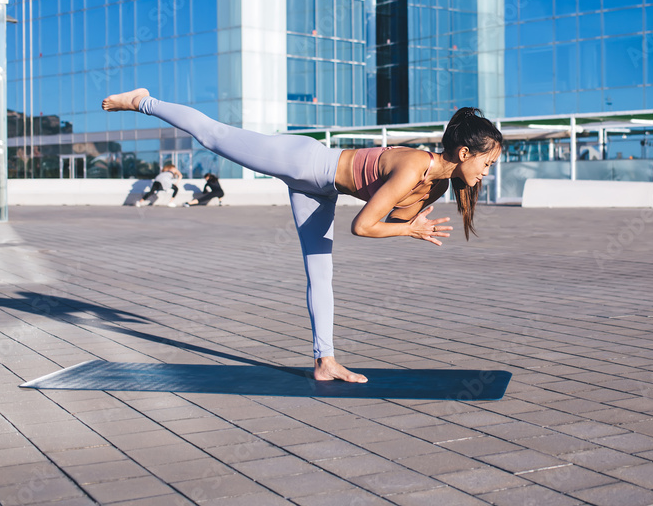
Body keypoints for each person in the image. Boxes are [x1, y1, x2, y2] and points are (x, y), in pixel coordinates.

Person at [103, 88, 502, 382]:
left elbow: (386, 215)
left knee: (321, 275)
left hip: (322, 191)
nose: (488, 171)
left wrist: (409, 221)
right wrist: (408, 229)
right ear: (465, 152)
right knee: (216, 136)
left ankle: (324, 361)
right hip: (304, 161)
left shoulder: (434, 185)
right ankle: (144, 102)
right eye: (487, 161)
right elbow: (362, 226)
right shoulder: (416, 165)